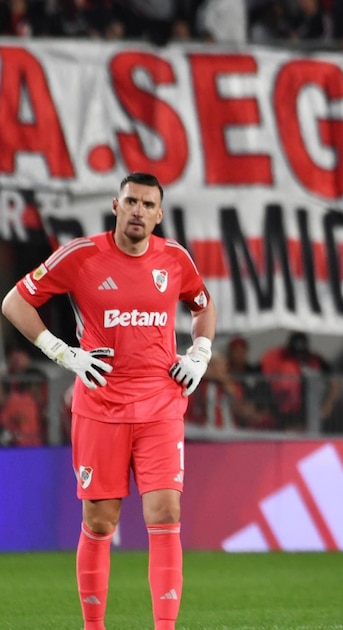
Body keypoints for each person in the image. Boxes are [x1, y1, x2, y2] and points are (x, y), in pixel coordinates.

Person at [0, 172, 215, 630]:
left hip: (161, 402)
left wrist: (200, 352)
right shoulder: (81, 256)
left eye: (147, 204)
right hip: (100, 406)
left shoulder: (175, 258)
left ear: (159, 214)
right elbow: (15, 301)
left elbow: (202, 305)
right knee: (100, 522)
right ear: (116, 206)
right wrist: (62, 351)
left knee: (166, 511)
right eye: (131, 201)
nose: (138, 210)